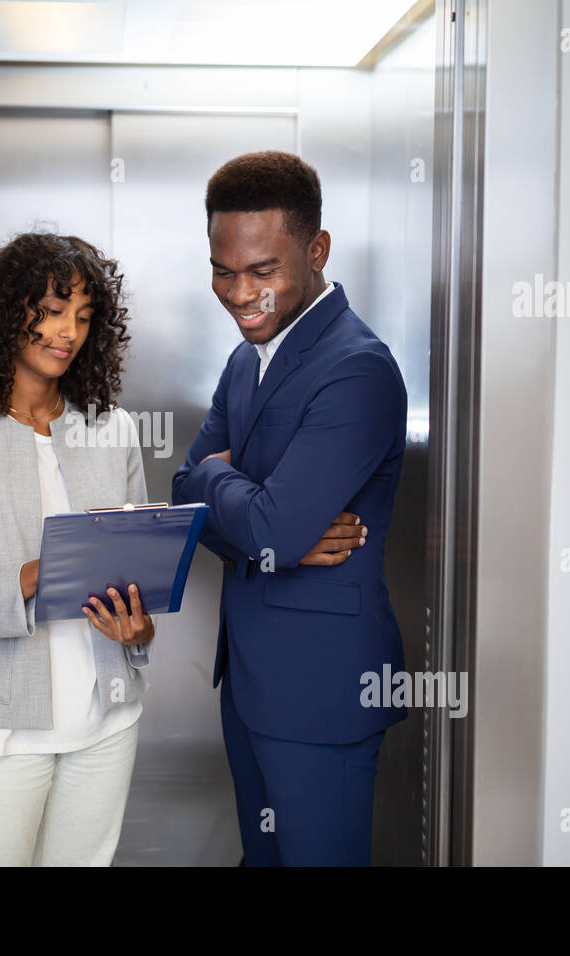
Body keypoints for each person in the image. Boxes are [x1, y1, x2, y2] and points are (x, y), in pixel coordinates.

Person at [172, 150, 409, 866]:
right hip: (249, 681)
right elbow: (184, 491)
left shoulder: (357, 369)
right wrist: (258, 516)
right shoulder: (246, 361)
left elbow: (262, 519)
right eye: (223, 269)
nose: (241, 293)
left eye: (263, 271)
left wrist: (237, 499)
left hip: (323, 693)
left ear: (316, 251)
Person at [0, 232, 157, 866]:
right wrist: (34, 576)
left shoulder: (113, 428)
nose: (66, 331)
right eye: (50, 309)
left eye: (82, 317)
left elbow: (139, 575)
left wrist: (139, 630)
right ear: (6, 313)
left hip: (105, 722)